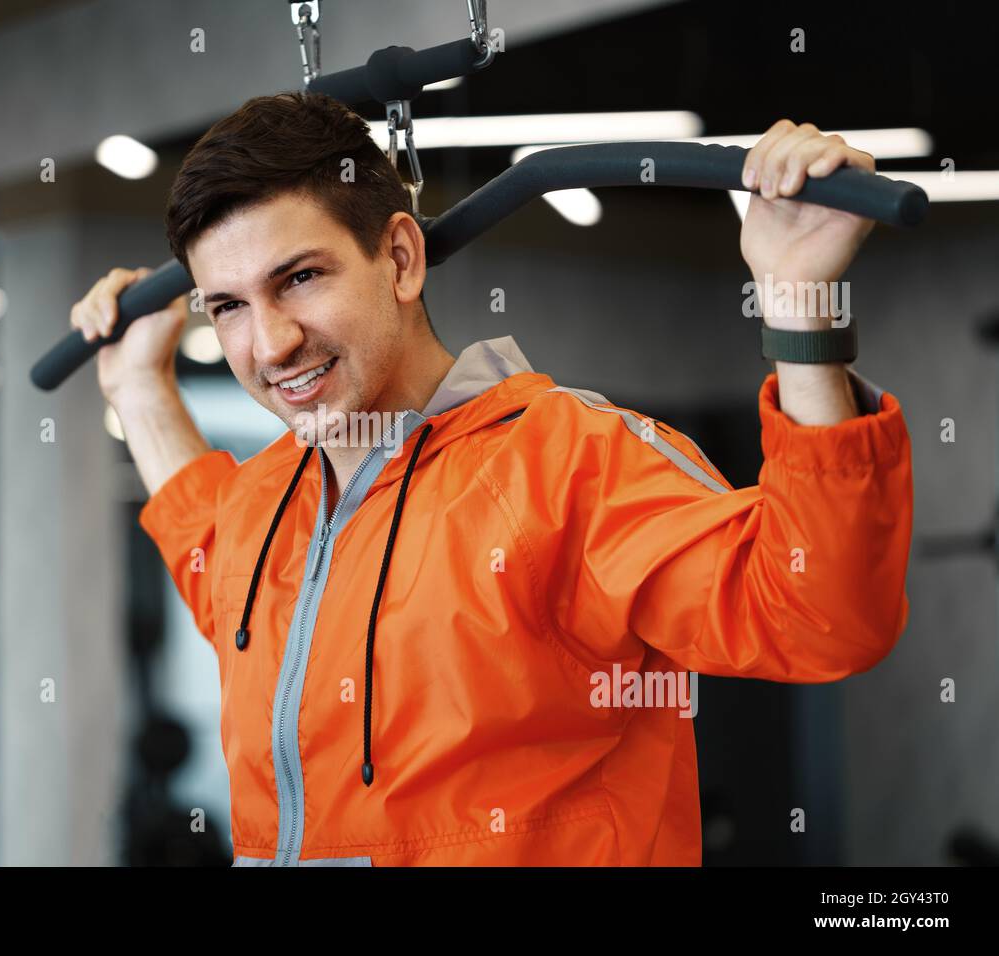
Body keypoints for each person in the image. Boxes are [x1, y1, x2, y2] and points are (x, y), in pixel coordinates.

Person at [68, 91, 912, 866]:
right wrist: (138, 388)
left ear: (400, 257)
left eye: (300, 278)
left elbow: (821, 617)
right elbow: (208, 554)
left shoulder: (565, 462)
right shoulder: (267, 503)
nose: (271, 342)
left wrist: (800, 300)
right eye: (230, 306)